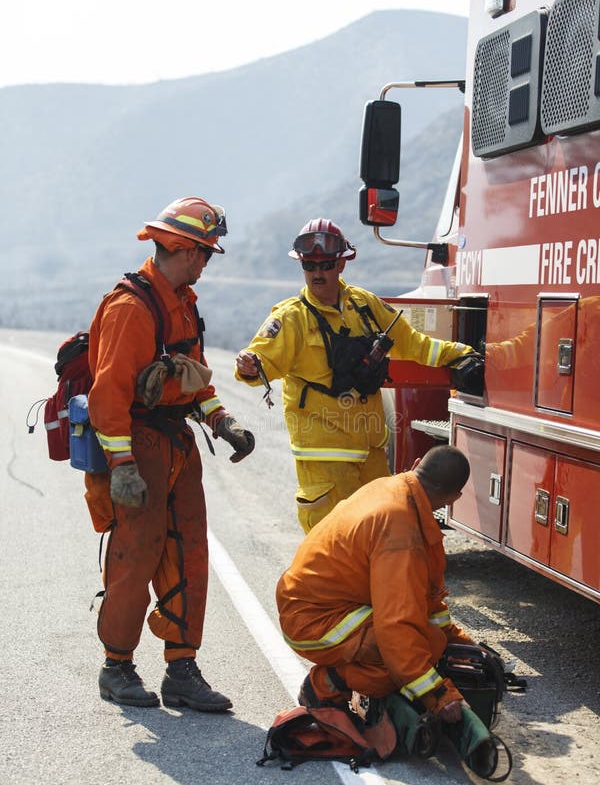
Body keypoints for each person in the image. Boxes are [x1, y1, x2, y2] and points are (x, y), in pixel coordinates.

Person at [85, 196, 255, 711]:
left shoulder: (183, 301)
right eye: (203, 252)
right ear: (180, 248)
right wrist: (122, 466)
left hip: (177, 446)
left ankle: (182, 668)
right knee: (135, 554)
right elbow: (107, 396)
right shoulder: (130, 308)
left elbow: (195, 376)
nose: (206, 262)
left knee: (188, 552)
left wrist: (223, 420)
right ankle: (117, 667)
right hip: (139, 447)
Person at [235, 218, 475, 533]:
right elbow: (261, 360)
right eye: (310, 265)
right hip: (324, 462)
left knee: (376, 544)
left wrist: (459, 352)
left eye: (326, 264)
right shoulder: (291, 318)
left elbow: (414, 344)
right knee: (333, 556)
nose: (317, 272)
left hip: (371, 455)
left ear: (342, 265)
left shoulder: (364, 305)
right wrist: (249, 367)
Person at [276, 445, 476, 723]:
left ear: (416, 464)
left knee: (429, 640)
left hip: (308, 605)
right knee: (422, 646)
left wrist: (461, 644)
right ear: (455, 497)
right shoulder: (401, 530)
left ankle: (352, 676)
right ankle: (327, 684)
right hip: (314, 622)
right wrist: (438, 696)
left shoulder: (392, 488)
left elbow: (426, 598)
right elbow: (397, 627)